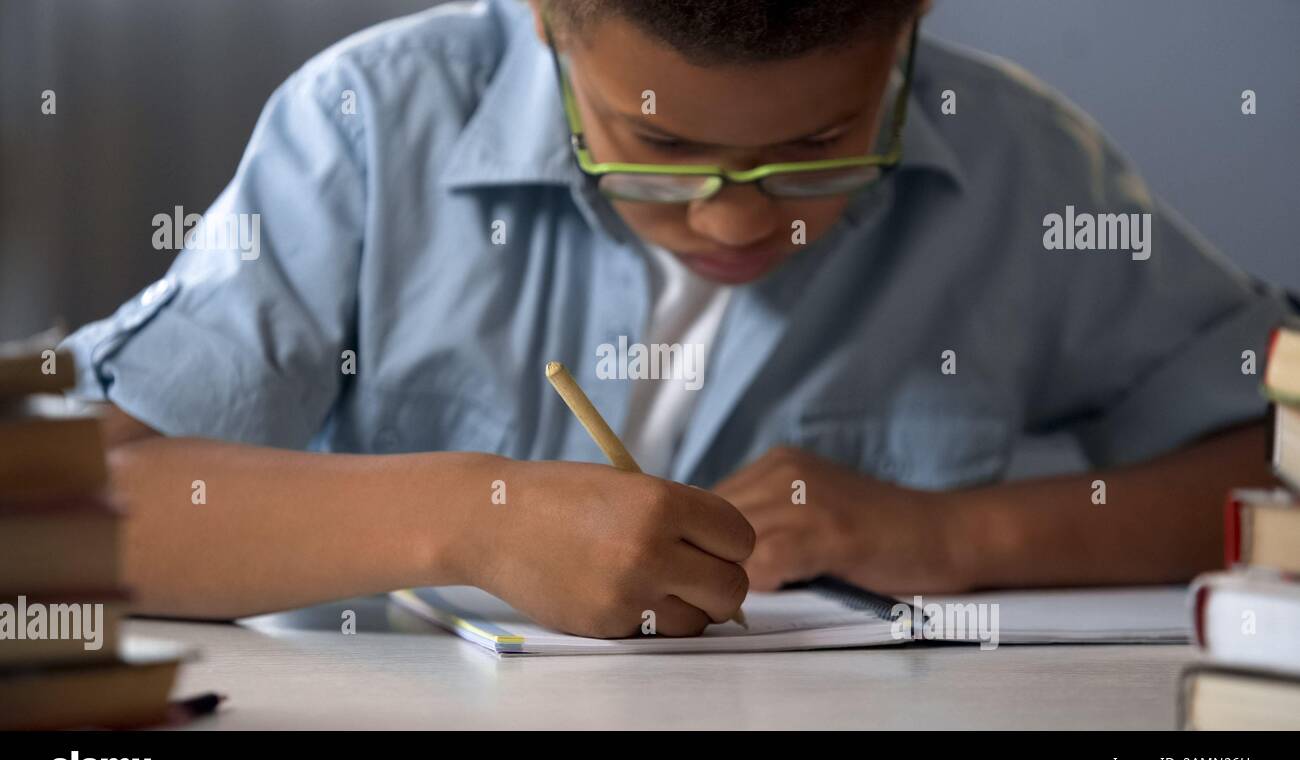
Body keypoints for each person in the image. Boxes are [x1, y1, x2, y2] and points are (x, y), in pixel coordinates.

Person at [64, 0, 1289, 637]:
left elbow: (1275, 468)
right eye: (658, 144)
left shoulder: (1025, 167)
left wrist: (952, 535)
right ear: (547, 17)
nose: (731, 223)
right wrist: (467, 518)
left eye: (818, 147)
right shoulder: (366, 128)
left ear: (910, 30)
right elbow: (73, 516)